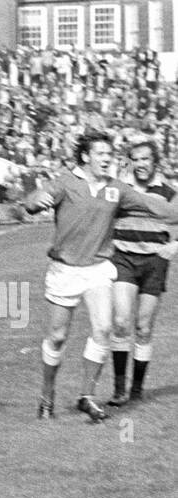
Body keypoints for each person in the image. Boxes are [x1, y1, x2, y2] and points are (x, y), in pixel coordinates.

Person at [24, 130, 178, 421]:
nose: (107, 159)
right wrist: (36, 200)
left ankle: (87, 395)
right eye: (101, 154)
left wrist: (173, 213)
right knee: (57, 337)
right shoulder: (66, 183)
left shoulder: (117, 188)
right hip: (65, 270)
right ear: (86, 156)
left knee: (104, 329)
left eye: (110, 155)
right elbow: (30, 203)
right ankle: (47, 396)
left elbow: (152, 206)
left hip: (98, 269)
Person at [108, 138, 176, 405]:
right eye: (136, 159)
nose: (141, 164)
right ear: (130, 162)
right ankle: (118, 389)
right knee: (122, 322)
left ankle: (136, 390)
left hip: (155, 262)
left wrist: (176, 245)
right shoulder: (120, 189)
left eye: (146, 159)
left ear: (155, 161)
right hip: (123, 257)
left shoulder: (169, 191)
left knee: (144, 327)